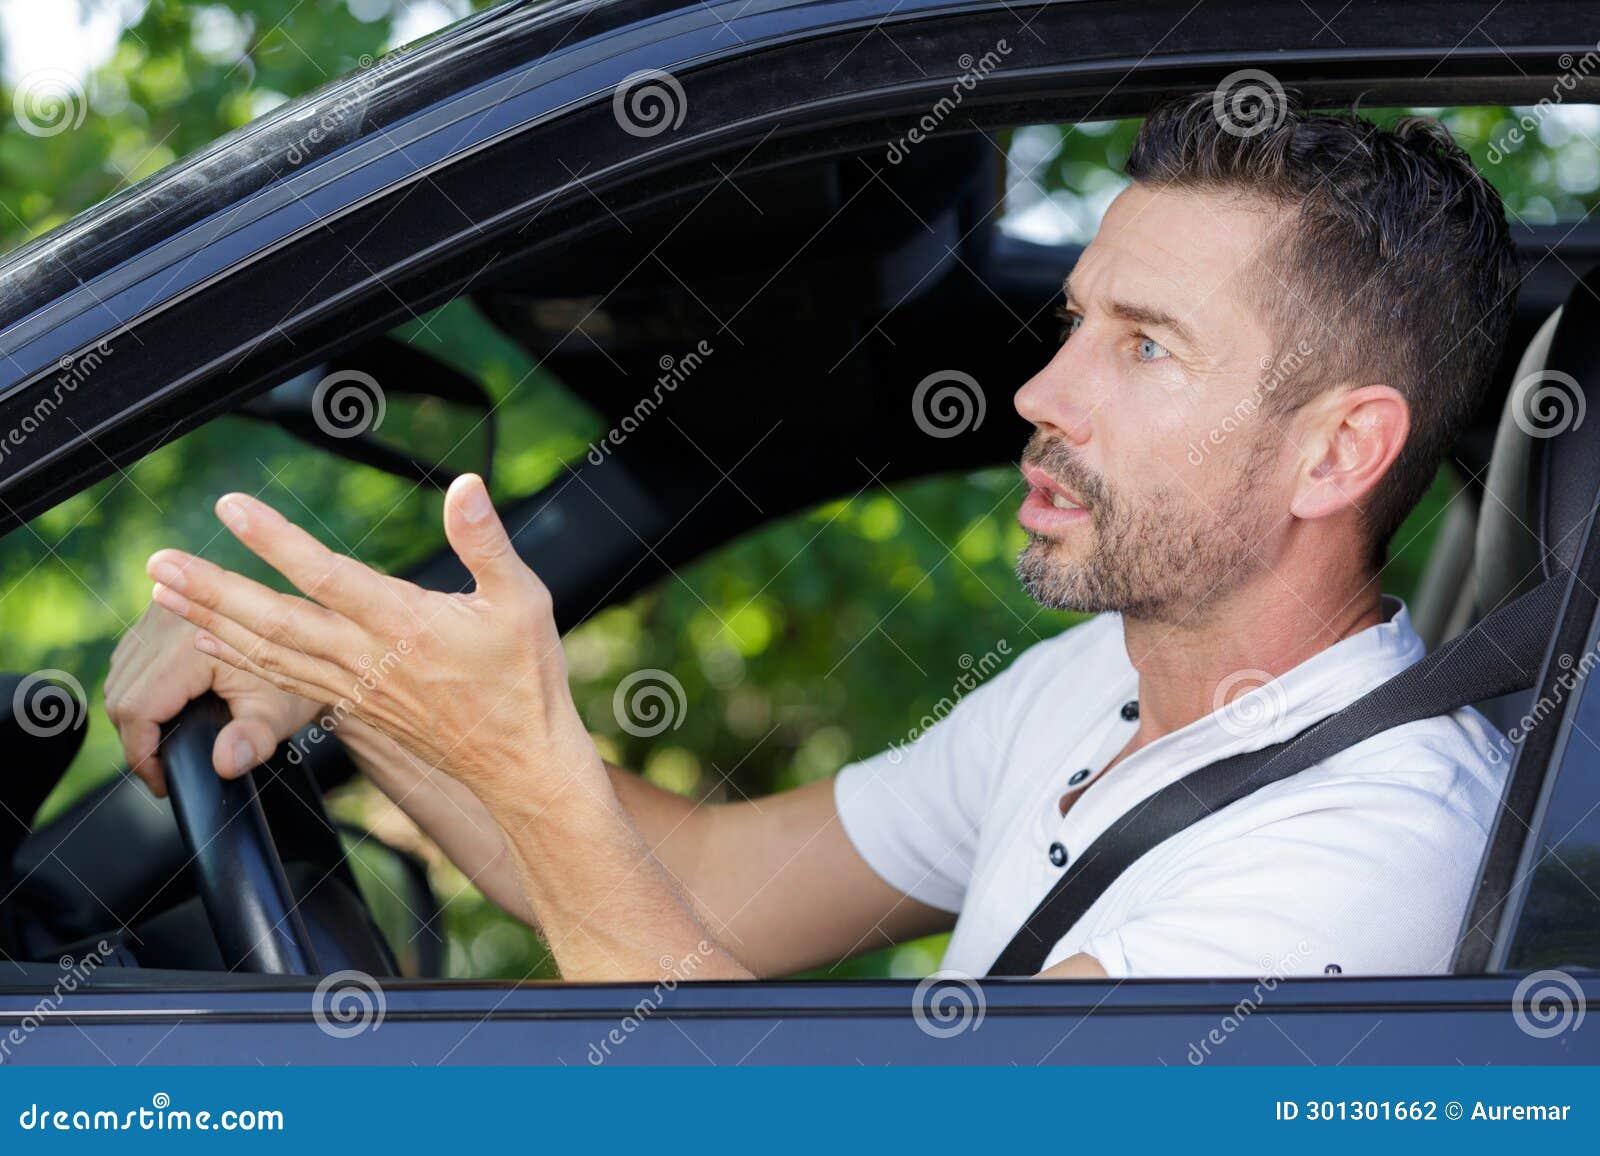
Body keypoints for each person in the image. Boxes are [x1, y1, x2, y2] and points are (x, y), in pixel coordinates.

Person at [104, 90, 1520, 981]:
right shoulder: (1103, 686)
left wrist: (523, 762)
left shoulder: (1360, 858)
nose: (1038, 390)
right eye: (1081, 319)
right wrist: (352, 683)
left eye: (1145, 349)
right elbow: (711, 890)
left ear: (1341, 451)